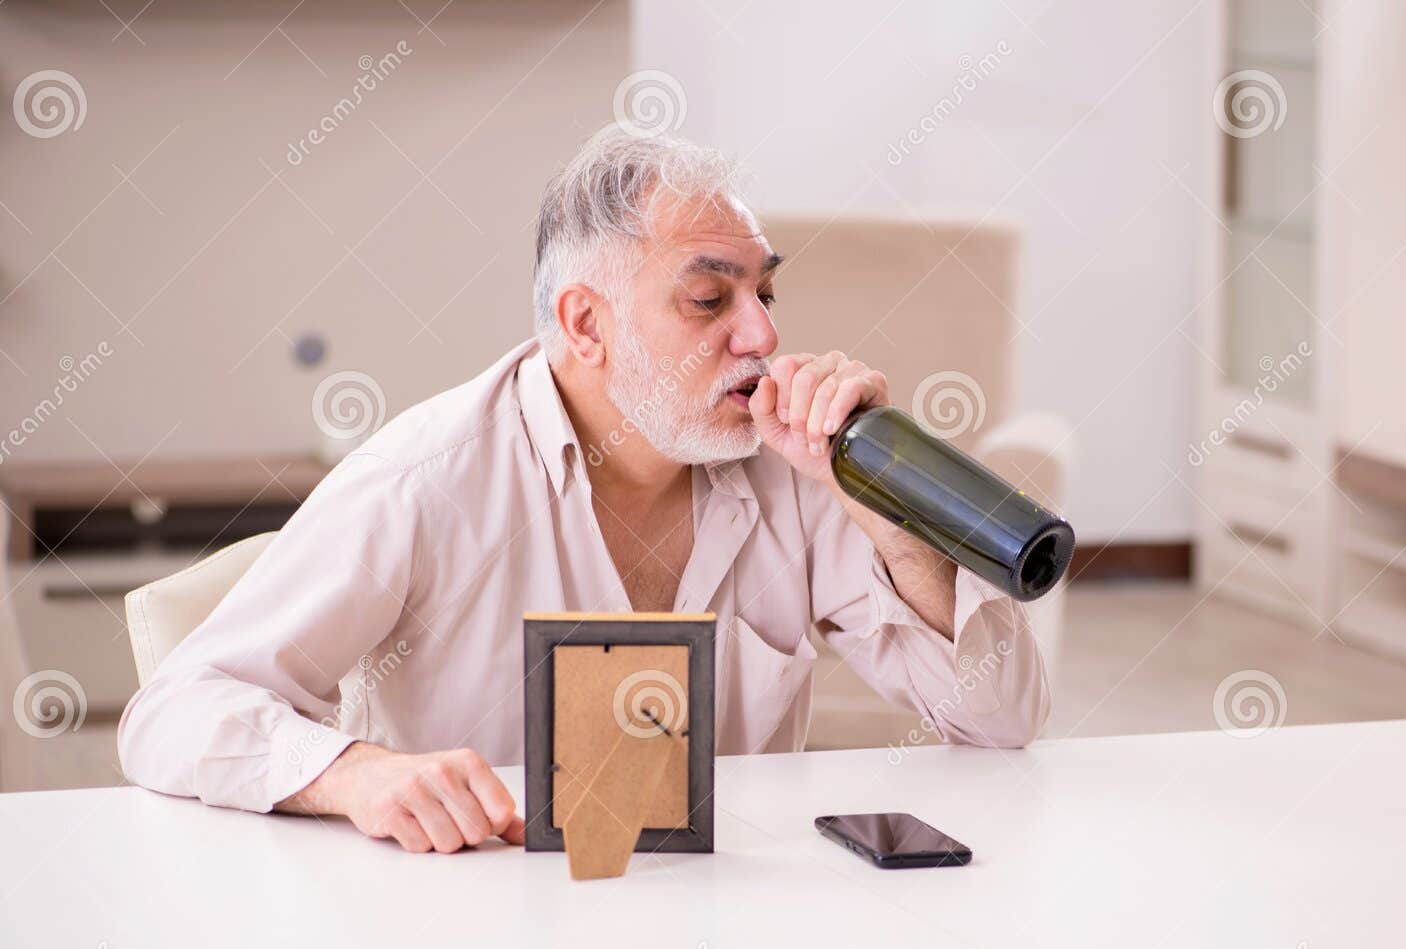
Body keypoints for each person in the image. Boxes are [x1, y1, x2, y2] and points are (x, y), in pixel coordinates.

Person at [118, 125, 1051, 853]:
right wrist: (354, 775)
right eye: (710, 299)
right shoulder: (425, 482)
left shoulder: (796, 470)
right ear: (587, 324)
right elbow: (173, 712)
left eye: (766, 294)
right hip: (472, 940)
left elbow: (1001, 720)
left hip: (728, 939)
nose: (762, 336)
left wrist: (892, 527)